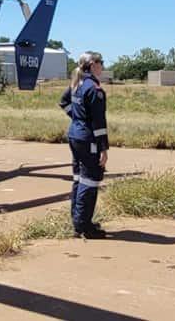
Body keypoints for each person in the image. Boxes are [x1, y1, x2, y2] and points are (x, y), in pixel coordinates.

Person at [65, 51, 109, 239]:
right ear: (92, 64)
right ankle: (84, 226)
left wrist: (77, 120)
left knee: (79, 179)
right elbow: (99, 123)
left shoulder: (77, 83)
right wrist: (103, 148)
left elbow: (64, 102)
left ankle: (78, 221)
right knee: (90, 180)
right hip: (87, 139)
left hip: (75, 136)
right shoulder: (94, 89)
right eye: (101, 62)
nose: (103, 66)